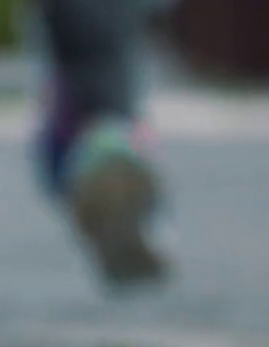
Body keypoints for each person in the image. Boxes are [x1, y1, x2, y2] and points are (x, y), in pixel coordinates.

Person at [33, 0, 171, 290]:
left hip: (79, 108)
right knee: (122, 150)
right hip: (112, 107)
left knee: (65, 164)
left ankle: (116, 226)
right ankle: (141, 227)